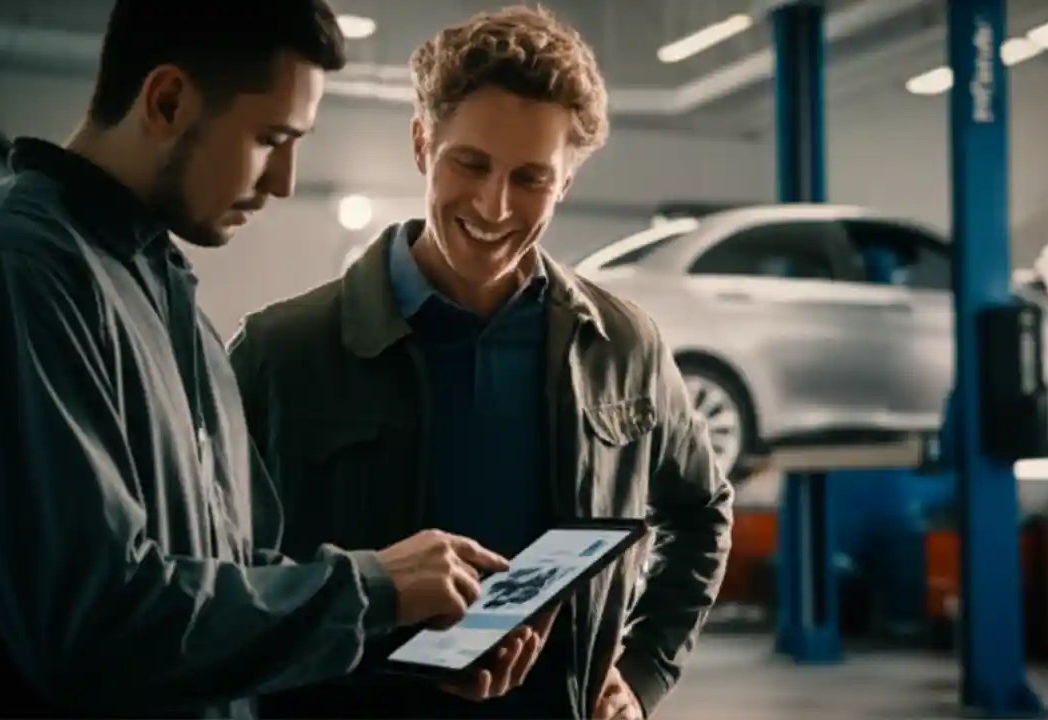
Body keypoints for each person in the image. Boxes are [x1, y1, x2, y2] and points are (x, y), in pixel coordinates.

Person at [0, 1, 543, 717]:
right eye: (270, 139)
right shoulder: (13, 273)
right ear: (167, 100)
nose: (284, 181)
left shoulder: (165, 293)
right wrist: (373, 591)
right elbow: (95, 627)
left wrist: (403, 629)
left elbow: (230, 582)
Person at [227, 5, 735, 719]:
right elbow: (219, 581)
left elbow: (701, 513)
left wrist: (641, 671)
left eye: (531, 179)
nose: (494, 206)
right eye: (470, 164)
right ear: (421, 144)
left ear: (565, 184)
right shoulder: (281, 352)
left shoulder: (622, 347)